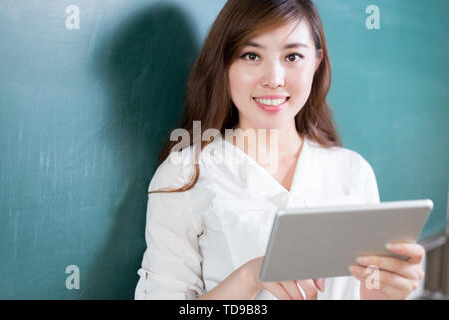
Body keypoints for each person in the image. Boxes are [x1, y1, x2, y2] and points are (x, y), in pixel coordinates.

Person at [134, 0, 425, 300]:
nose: (273, 79)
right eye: (251, 55)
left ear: (316, 61)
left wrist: (385, 293)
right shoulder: (185, 173)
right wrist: (249, 278)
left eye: (293, 56)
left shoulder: (353, 171)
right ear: (224, 64)